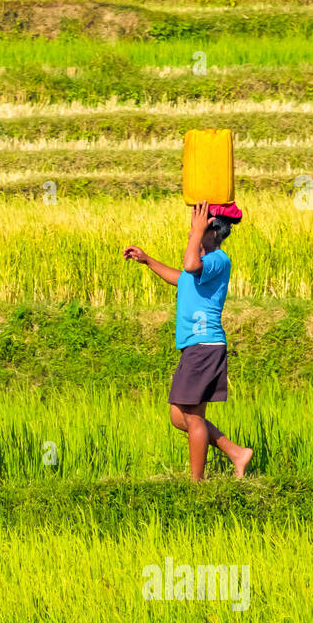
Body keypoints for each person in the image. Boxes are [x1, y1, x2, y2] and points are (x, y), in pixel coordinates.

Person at [123, 200, 252, 481]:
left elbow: (189, 264)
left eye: (196, 228)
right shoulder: (202, 267)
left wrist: (196, 233)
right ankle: (236, 453)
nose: (190, 233)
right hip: (196, 346)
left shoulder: (218, 260)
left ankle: (196, 483)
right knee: (178, 416)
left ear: (212, 232)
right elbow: (180, 277)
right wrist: (147, 260)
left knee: (193, 417)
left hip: (204, 345)